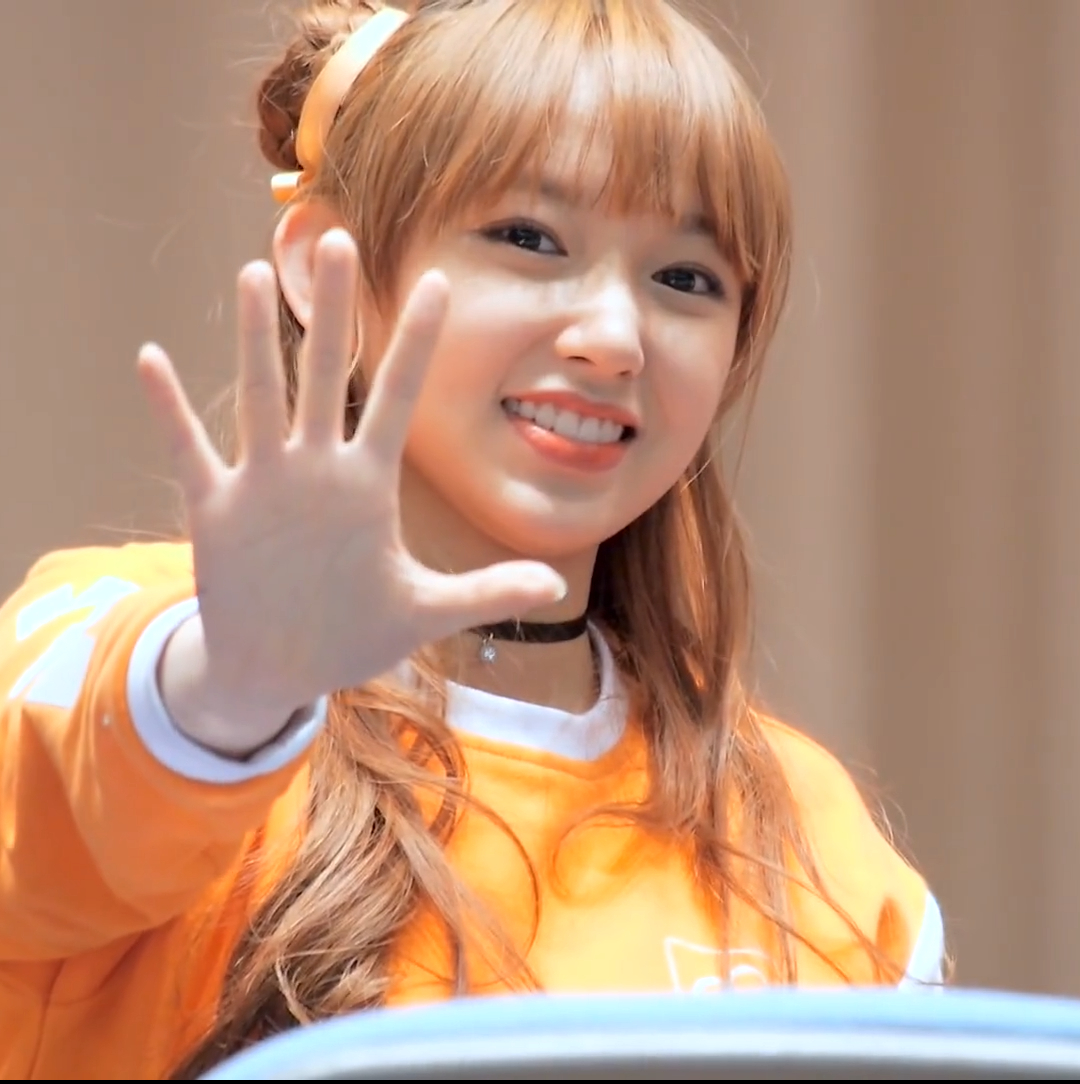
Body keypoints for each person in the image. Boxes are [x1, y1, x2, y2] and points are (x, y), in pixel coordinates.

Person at [0, 0, 947, 1079]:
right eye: (529, 239)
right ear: (326, 264)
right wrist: (229, 690)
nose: (612, 338)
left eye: (685, 278)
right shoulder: (128, 654)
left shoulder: (816, 847)